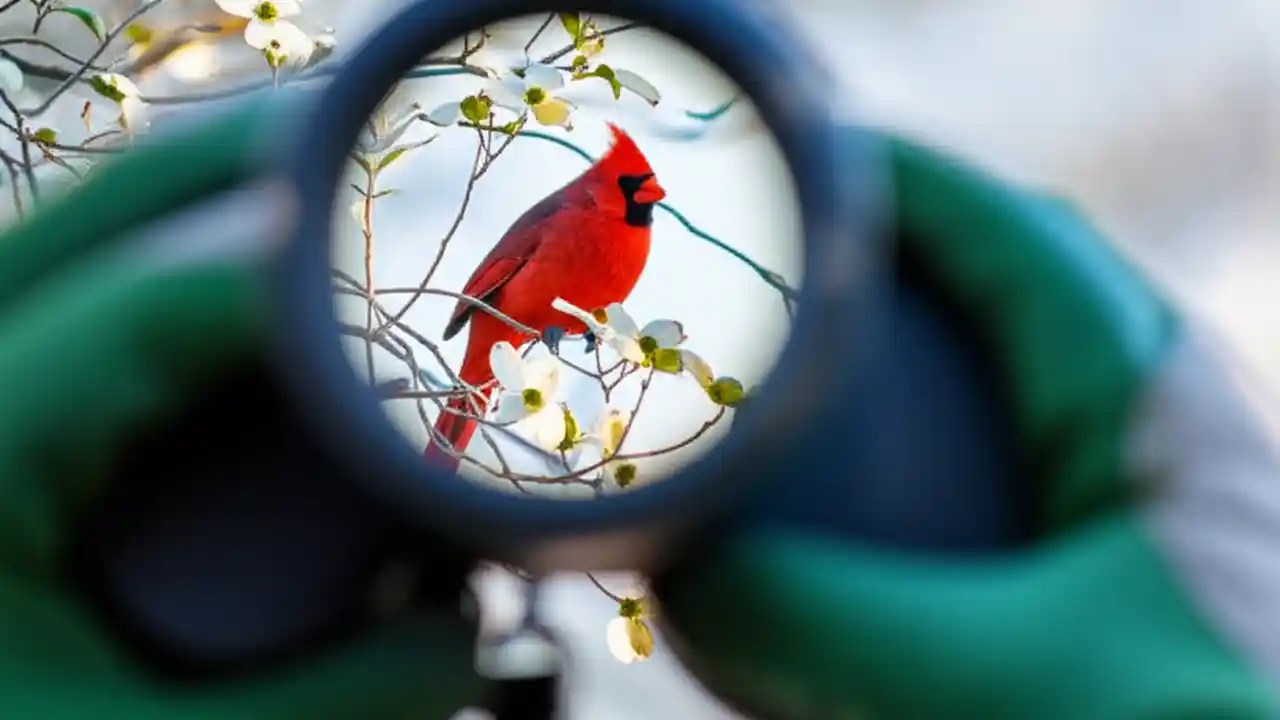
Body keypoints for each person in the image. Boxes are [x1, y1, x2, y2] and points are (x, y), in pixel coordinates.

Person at [1, 124, 1276, 718]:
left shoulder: (630, 237)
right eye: (630, 185)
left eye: (642, 186)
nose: (639, 201)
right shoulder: (567, 219)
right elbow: (508, 276)